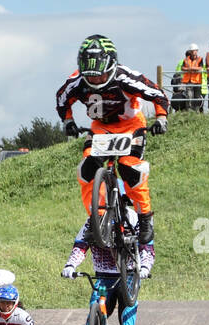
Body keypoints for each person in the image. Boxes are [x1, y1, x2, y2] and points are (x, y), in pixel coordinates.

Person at [56, 34, 169, 244]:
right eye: (91, 77)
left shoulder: (125, 77)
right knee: (87, 170)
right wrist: (68, 121)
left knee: (129, 167)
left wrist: (161, 118)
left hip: (130, 126)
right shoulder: (77, 81)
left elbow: (158, 94)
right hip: (101, 128)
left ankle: (145, 217)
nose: (95, 80)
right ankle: (96, 219)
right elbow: (62, 99)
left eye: (100, 76)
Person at [62, 197, 153, 325]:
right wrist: (70, 265)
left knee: (128, 305)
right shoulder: (92, 221)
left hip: (129, 274)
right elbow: (80, 246)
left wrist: (145, 267)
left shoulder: (133, 218)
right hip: (103, 276)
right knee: (93, 313)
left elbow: (147, 246)